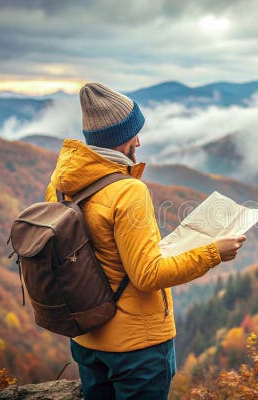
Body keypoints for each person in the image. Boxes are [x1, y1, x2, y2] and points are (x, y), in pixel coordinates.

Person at [45, 82, 246, 399]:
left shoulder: (61, 184)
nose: (138, 141)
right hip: (137, 348)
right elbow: (147, 276)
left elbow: (104, 255)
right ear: (118, 137)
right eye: (133, 134)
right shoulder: (128, 191)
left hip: (87, 338)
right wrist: (214, 253)